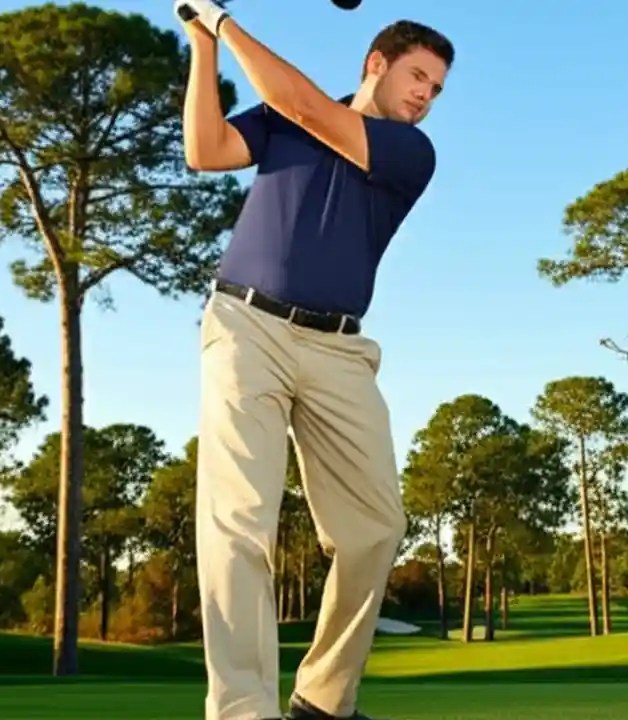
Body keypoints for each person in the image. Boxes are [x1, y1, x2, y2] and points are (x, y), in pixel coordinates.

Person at [173, 1, 454, 718]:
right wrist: (201, 43)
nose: (426, 94)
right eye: (419, 76)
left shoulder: (407, 153)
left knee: (375, 527)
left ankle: (324, 698)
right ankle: (243, 709)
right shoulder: (283, 121)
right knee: (238, 524)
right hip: (245, 329)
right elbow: (206, 151)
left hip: (339, 352)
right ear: (376, 63)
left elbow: (294, 98)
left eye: (436, 88)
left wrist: (224, 19)